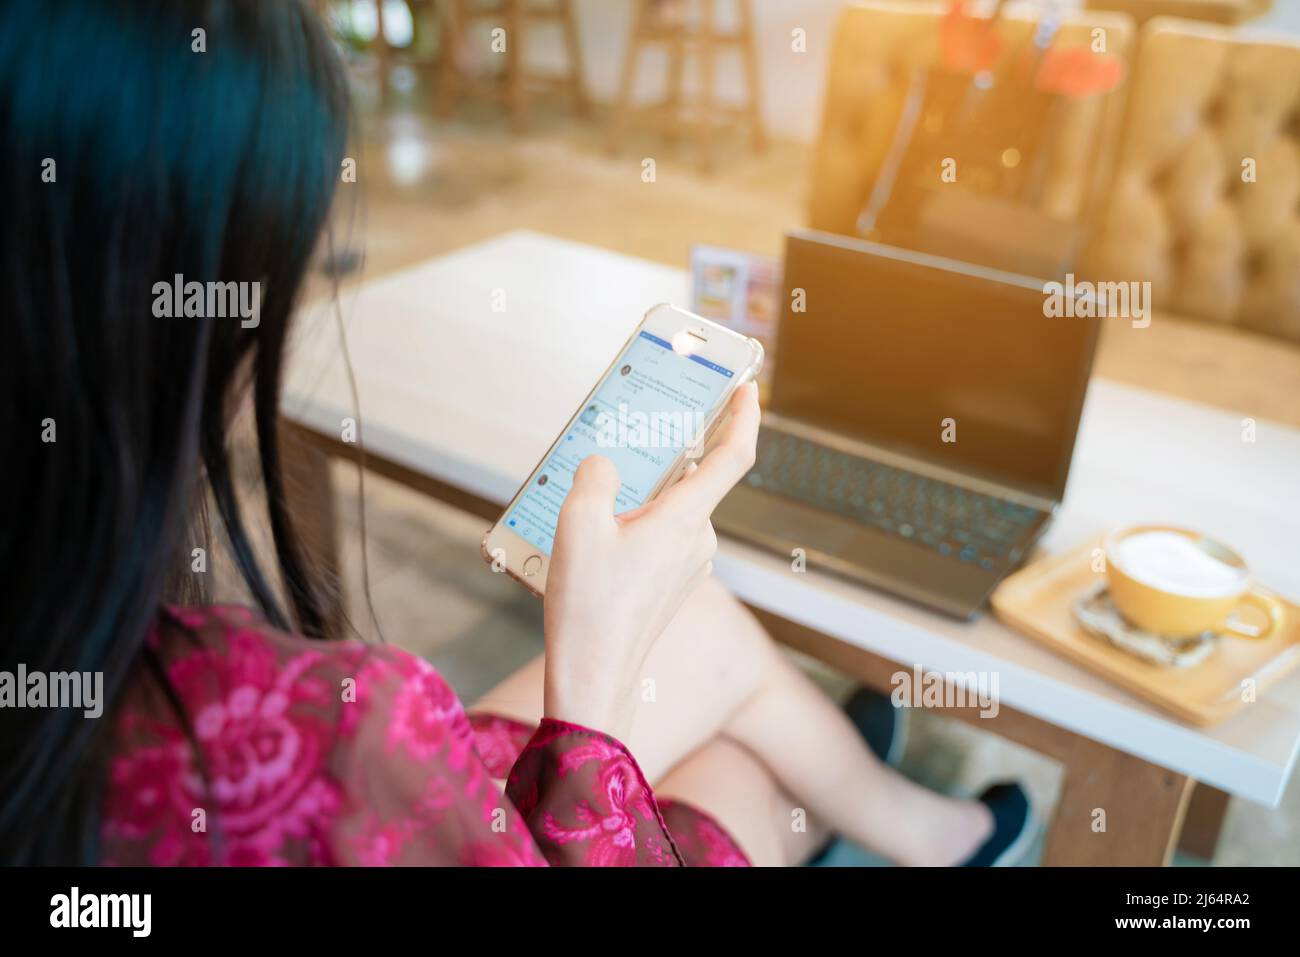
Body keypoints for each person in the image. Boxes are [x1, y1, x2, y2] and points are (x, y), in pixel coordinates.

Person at [0, 0, 1030, 866]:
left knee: (711, 645)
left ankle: (913, 823)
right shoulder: (329, 731)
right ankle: (917, 823)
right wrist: (595, 676)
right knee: (743, 778)